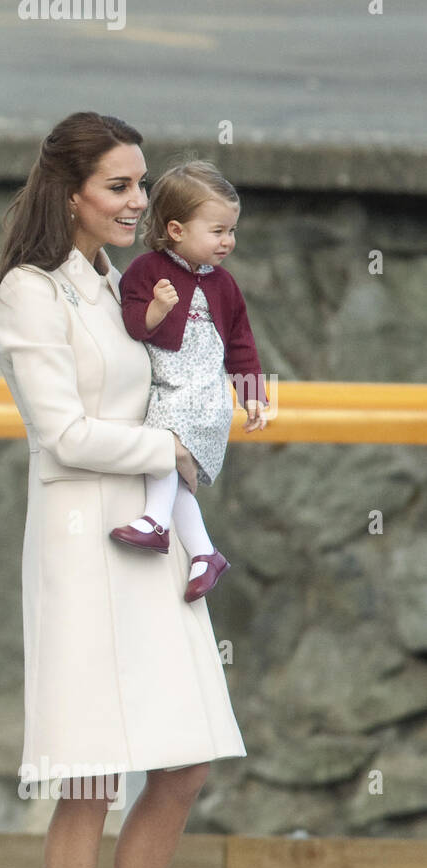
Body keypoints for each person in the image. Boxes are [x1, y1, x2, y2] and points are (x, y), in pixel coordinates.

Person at [0, 112, 246, 868]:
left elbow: (173, 373)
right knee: (87, 774)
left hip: (151, 533)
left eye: (141, 185)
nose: (139, 201)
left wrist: (214, 406)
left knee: (188, 757)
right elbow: (62, 435)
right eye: (120, 186)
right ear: (71, 190)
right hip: (82, 542)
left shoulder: (120, 282)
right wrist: (169, 444)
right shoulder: (28, 292)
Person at [112, 160, 268, 601]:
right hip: (167, 388)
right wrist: (156, 310)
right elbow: (132, 324)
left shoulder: (225, 286)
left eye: (231, 231)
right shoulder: (145, 271)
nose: (228, 242)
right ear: (177, 230)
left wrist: (253, 396)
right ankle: (204, 553)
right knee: (174, 475)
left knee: (162, 448)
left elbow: (241, 343)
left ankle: (155, 523)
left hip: (201, 395)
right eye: (218, 230)